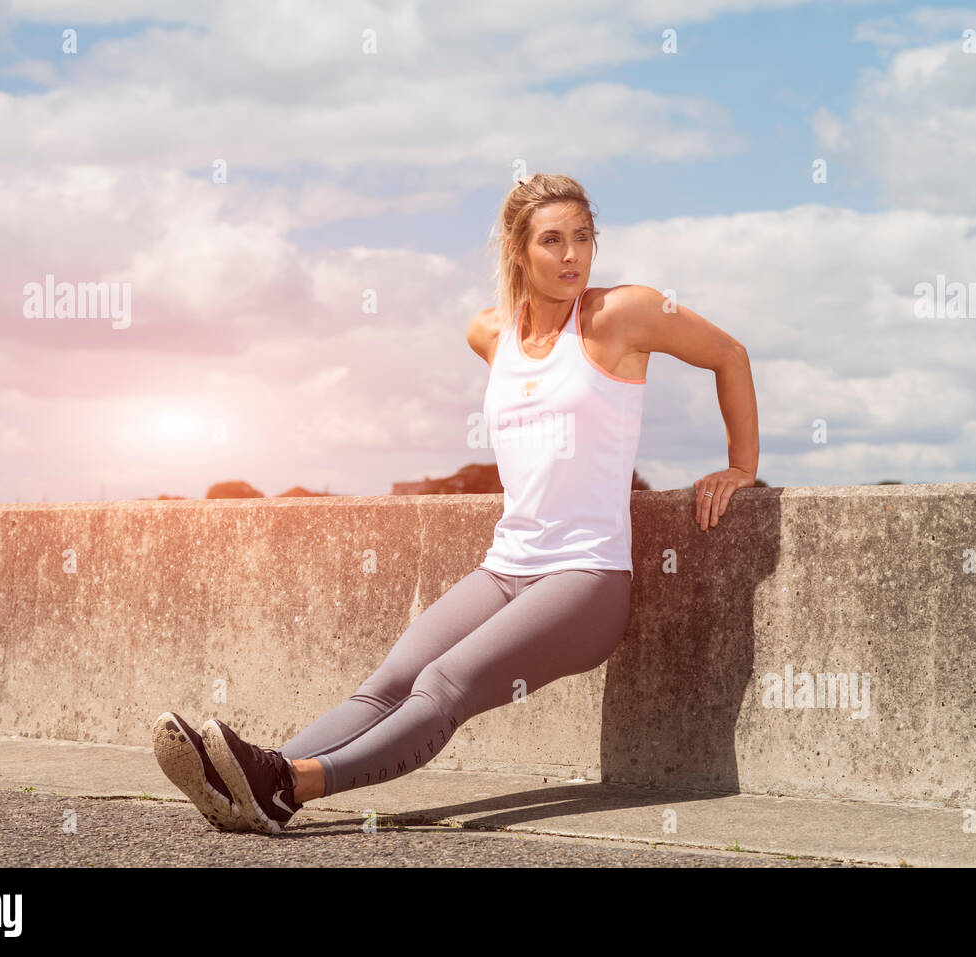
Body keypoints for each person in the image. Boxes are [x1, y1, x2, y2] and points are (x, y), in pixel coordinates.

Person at [152, 172, 759, 835]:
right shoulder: (490, 333)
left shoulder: (621, 313)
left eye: (583, 237)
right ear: (517, 250)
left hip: (586, 577)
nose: (571, 255)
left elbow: (729, 354)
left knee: (444, 683)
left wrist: (741, 467)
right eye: (551, 240)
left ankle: (287, 783)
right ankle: (254, 779)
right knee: (388, 682)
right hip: (505, 568)